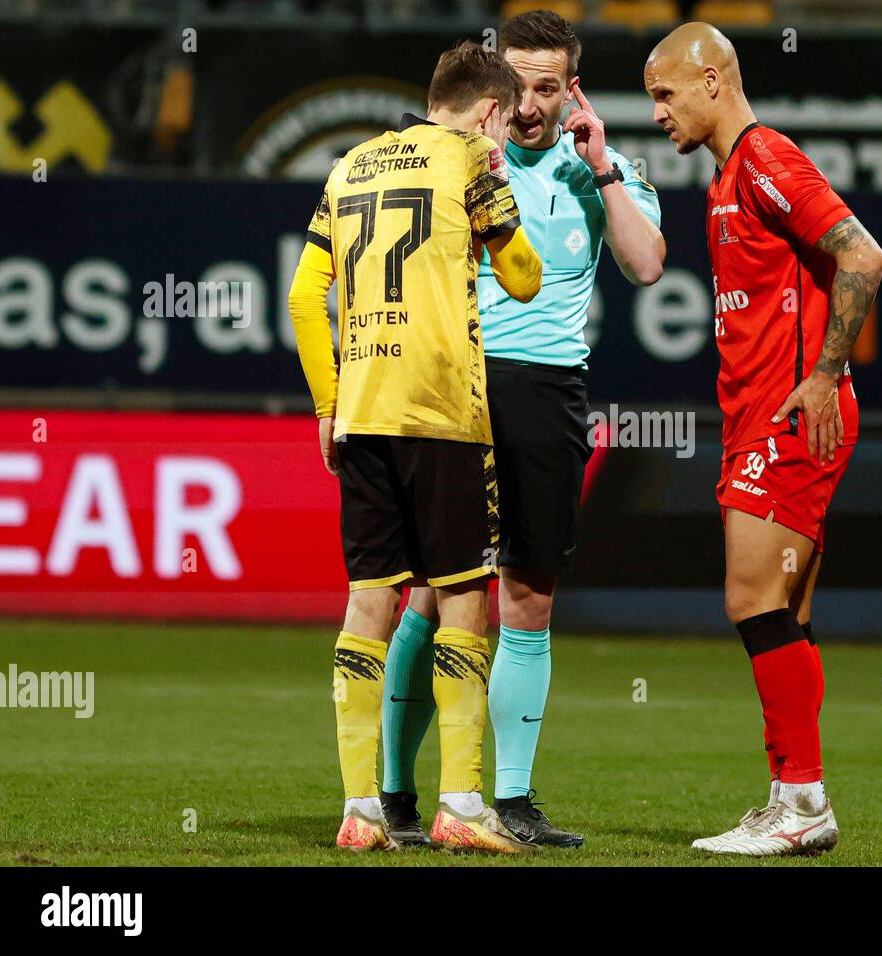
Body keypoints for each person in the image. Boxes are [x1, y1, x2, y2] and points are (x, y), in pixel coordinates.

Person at [379, 9, 665, 849]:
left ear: (572, 88)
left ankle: (510, 799)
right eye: (518, 84)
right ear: (493, 81)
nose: (531, 104)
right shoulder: (451, 160)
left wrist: (603, 169)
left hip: (547, 394)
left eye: (549, 87)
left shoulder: (601, 171)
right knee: (433, 592)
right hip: (451, 385)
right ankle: (398, 794)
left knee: (529, 597)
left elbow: (647, 265)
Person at [287, 41, 542, 854]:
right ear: (490, 110)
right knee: (465, 600)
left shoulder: (350, 163)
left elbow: (303, 297)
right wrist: (498, 203)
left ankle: (361, 811)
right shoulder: (471, 160)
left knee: (370, 602)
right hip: (441, 414)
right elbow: (528, 279)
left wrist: (329, 404)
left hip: (361, 412)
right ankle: (463, 805)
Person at [644, 22, 882, 856]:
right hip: (759, 419)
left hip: (789, 418)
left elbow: (863, 255)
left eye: (665, 93)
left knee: (750, 600)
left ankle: (804, 803)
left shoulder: (769, 161)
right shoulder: (726, 179)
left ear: (713, 80)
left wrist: (822, 376)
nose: (658, 114)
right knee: (787, 611)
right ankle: (792, 795)